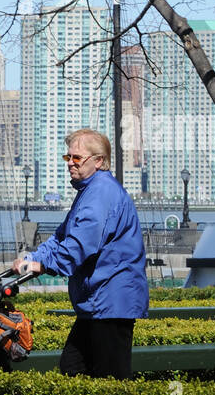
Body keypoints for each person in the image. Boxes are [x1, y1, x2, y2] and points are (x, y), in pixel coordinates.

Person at [11, 128, 148, 378]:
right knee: (72, 369)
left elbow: (79, 246)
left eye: (77, 158)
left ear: (99, 161)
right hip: (97, 302)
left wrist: (42, 267)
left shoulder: (101, 194)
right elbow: (62, 236)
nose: (70, 164)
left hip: (111, 301)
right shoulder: (89, 192)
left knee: (109, 379)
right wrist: (33, 258)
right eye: (68, 158)